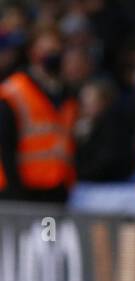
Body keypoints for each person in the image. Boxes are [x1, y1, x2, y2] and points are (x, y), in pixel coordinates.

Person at [0, 25, 76, 203]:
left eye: (57, 50)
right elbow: (5, 146)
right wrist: (14, 192)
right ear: (33, 52)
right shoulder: (14, 91)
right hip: (22, 190)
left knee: (52, 231)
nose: (54, 55)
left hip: (58, 188)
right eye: (48, 50)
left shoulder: (67, 94)